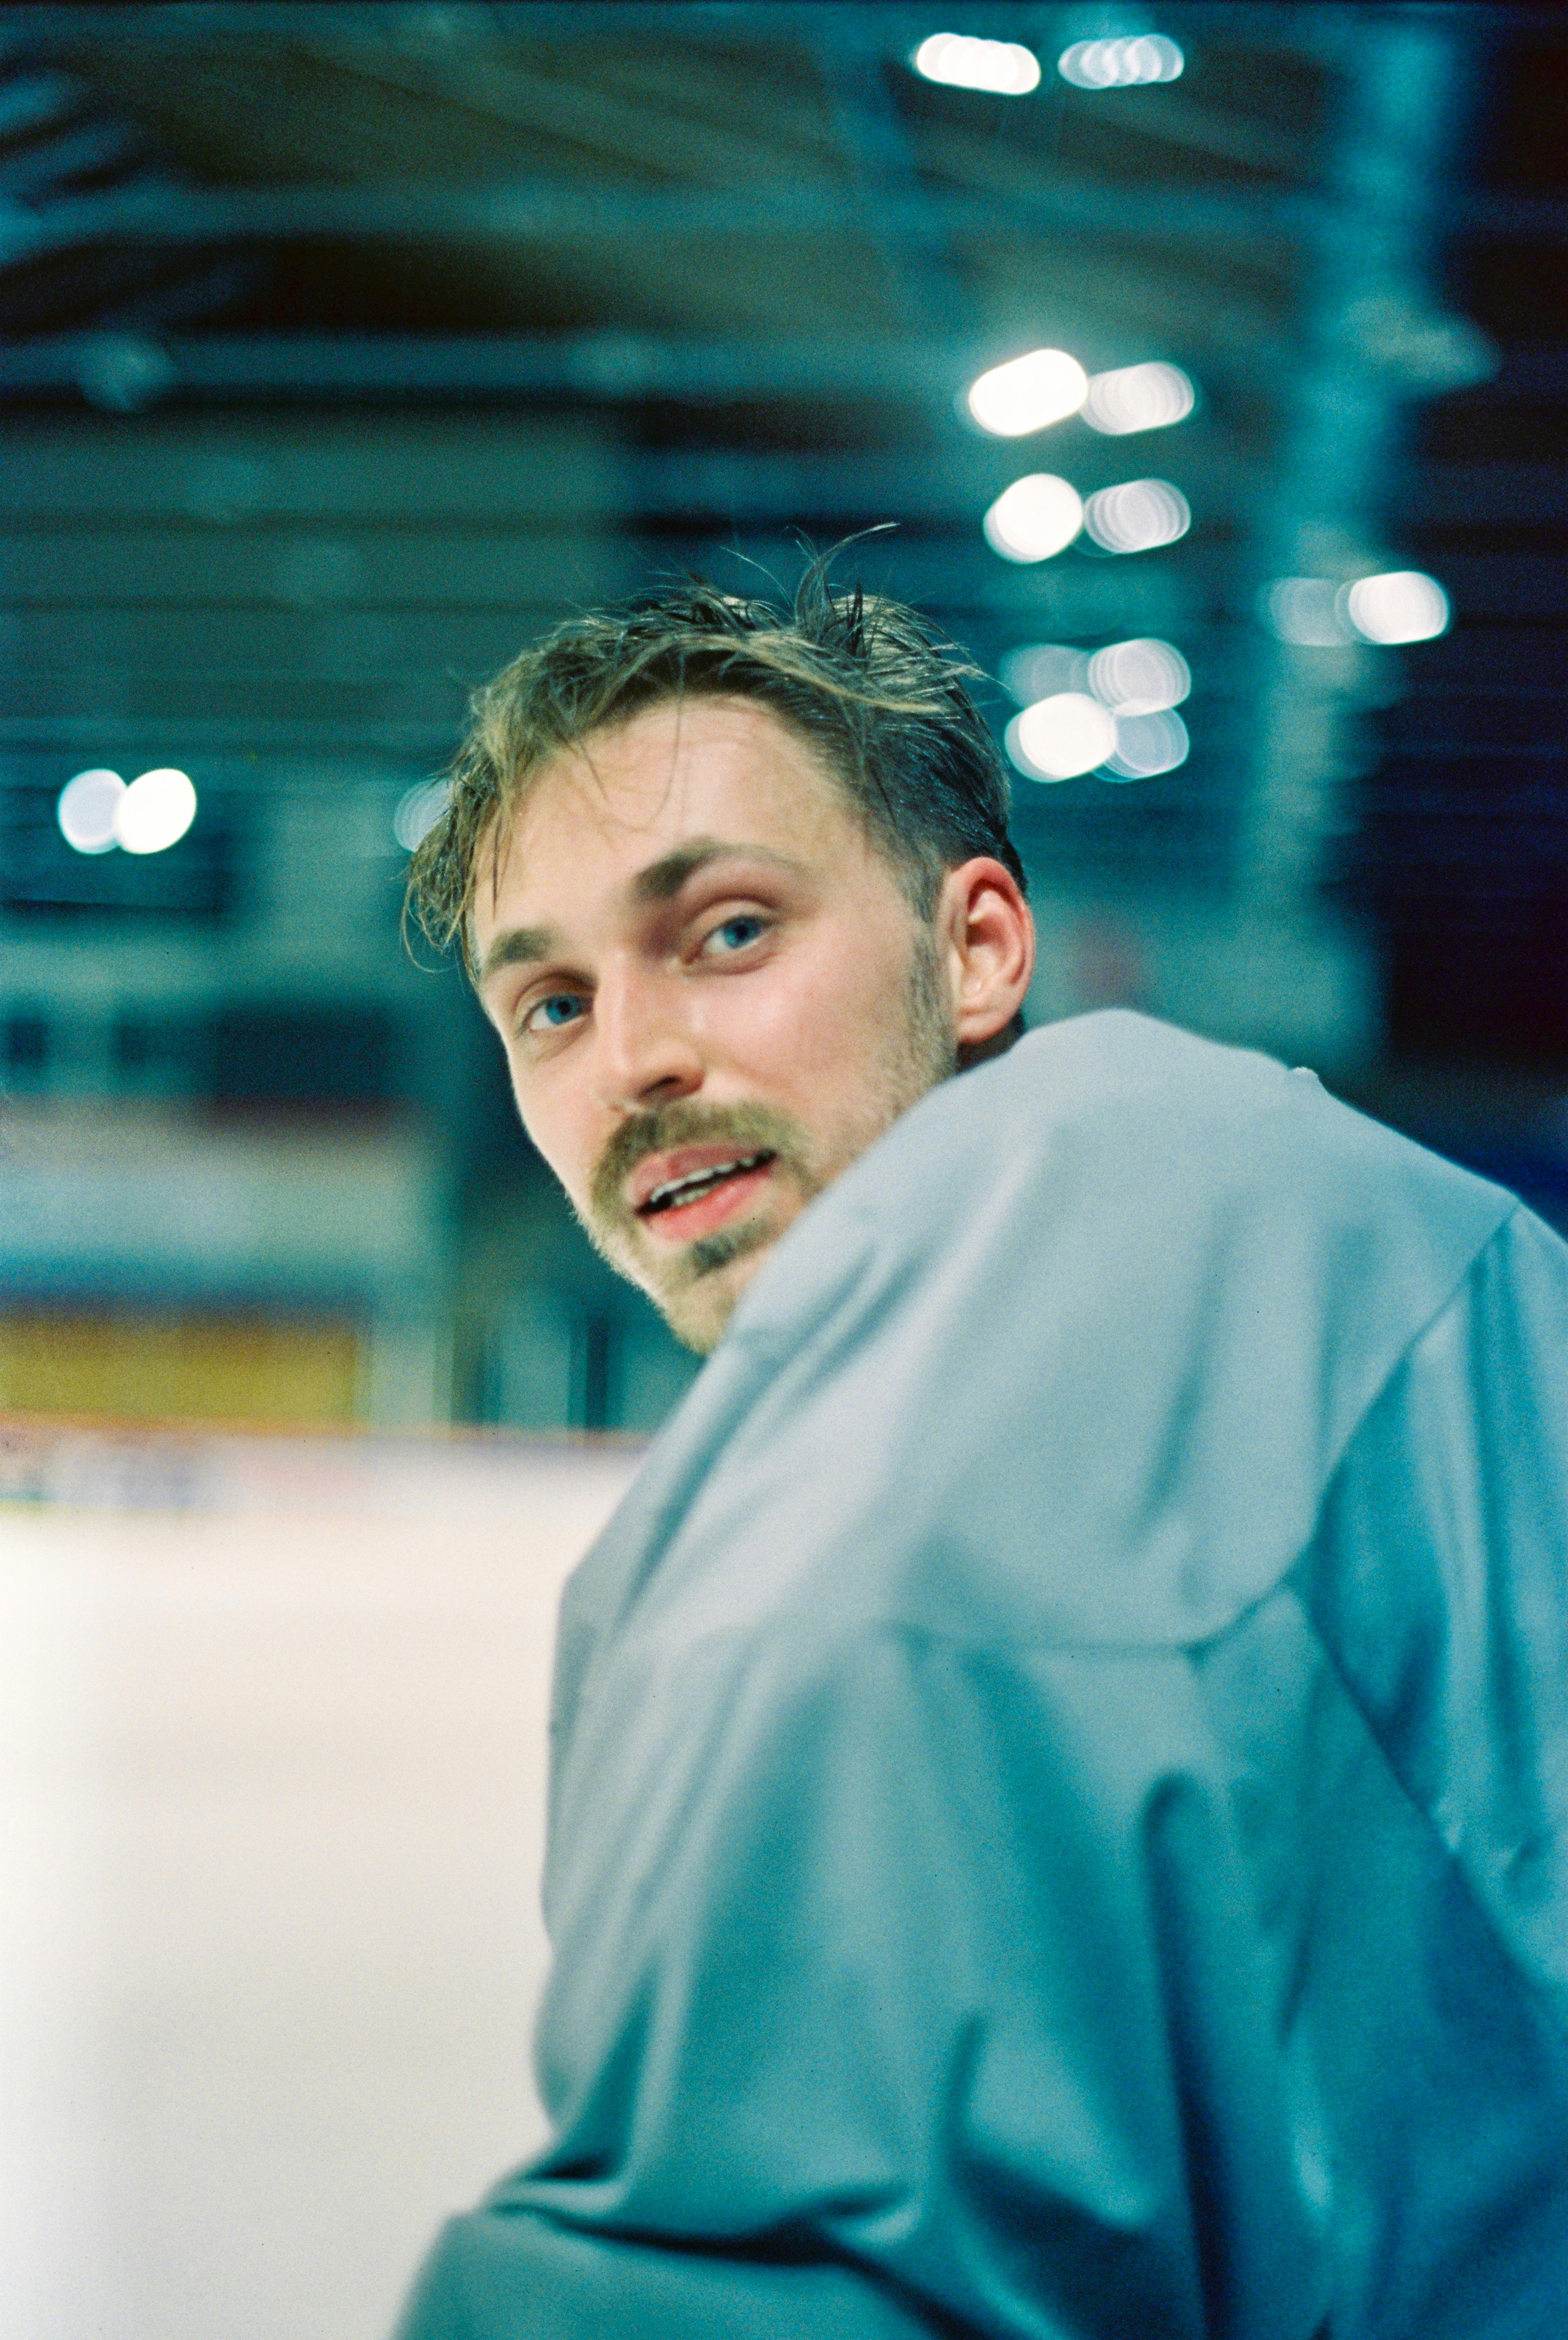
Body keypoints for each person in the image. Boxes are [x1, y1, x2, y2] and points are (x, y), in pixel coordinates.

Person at [394, 564, 1565, 2339]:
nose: (631, 1059)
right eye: (549, 1004)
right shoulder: (1356, 1241)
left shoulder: (1012, 1365)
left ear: (980, 947)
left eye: (725, 931)